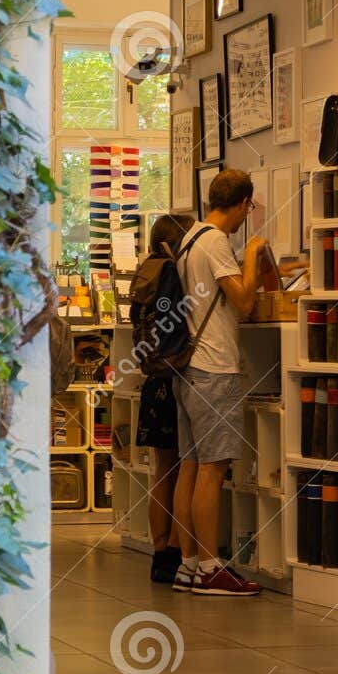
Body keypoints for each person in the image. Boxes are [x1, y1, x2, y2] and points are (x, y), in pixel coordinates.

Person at [171, 168, 266, 597]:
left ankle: (188, 563)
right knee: (214, 469)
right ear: (244, 204)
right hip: (215, 367)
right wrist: (253, 255)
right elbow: (243, 303)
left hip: (188, 366)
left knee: (190, 466)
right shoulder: (215, 241)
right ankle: (211, 568)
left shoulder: (189, 237)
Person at [137, 212, 192, 584]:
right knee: (186, 465)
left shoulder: (146, 272)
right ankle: (175, 551)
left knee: (162, 470)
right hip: (176, 377)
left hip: (152, 380)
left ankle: (159, 552)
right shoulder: (173, 273)